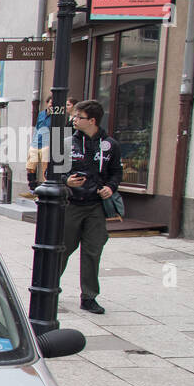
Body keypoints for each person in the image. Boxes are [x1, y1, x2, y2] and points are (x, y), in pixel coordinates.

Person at [59, 100, 122, 315]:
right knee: (62, 250)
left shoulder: (110, 144)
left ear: (92, 120)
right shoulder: (66, 143)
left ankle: (89, 297)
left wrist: (110, 188)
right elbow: (53, 173)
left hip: (96, 207)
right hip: (71, 204)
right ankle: (49, 290)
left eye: (79, 117)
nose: (74, 119)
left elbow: (116, 173)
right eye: (74, 116)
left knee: (92, 251)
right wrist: (66, 181)